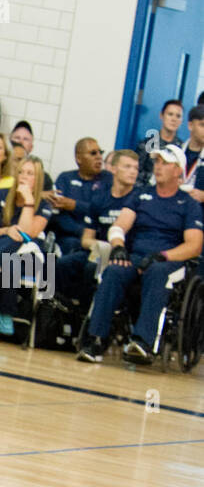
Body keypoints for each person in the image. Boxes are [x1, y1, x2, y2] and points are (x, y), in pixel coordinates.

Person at [77, 145, 203, 363]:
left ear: (177, 170)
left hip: (169, 260)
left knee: (157, 272)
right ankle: (96, 339)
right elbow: (119, 226)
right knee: (114, 270)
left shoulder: (188, 204)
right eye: (157, 162)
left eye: (165, 163)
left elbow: (194, 246)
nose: (158, 167)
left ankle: (143, 342)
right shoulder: (141, 195)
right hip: (137, 256)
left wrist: (163, 255)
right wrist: (117, 245)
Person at [53, 148, 140, 313]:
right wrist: (100, 246)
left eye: (136, 168)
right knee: (63, 264)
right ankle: (61, 311)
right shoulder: (100, 198)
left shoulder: (137, 199)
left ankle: (85, 313)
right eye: (127, 167)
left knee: (91, 268)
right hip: (98, 249)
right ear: (113, 169)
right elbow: (86, 239)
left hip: (123, 254)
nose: (133, 172)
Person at [0, 155, 54, 337]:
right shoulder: (0, 195)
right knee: (11, 254)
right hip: (4, 251)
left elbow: (28, 234)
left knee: (19, 238)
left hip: (30, 256)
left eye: (30, 173)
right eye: (21, 172)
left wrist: (28, 200)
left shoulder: (44, 205)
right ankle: (5, 314)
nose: (23, 177)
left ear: (38, 179)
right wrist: (7, 231)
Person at [43, 137, 112, 254]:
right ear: (79, 158)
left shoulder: (108, 179)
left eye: (100, 152)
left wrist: (74, 205)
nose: (99, 157)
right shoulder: (65, 178)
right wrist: (81, 231)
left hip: (96, 237)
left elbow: (104, 210)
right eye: (93, 153)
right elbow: (57, 214)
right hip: (68, 237)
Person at [135, 99, 183, 186]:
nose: (174, 119)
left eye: (178, 116)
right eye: (170, 114)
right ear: (162, 116)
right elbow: (136, 172)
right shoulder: (147, 144)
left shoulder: (182, 148)